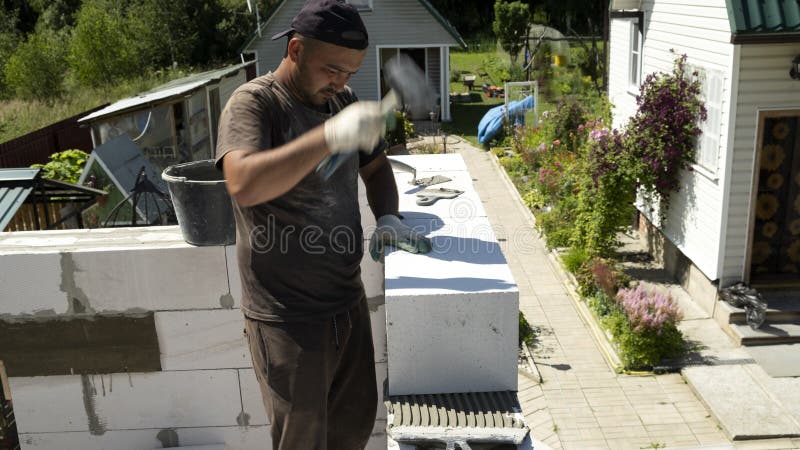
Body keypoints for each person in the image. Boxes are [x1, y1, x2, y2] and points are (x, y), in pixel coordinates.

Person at [214, 1, 430, 449]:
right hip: (286, 318)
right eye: (332, 69)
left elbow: (376, 169)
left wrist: (388, 215)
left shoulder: (343, 101)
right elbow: (243, 182)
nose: (341, 82)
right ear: (295, 49)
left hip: (346, 304)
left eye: (350, 73)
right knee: (303, 443)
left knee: (351, 432)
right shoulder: (255, 104)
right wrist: (330, 136)